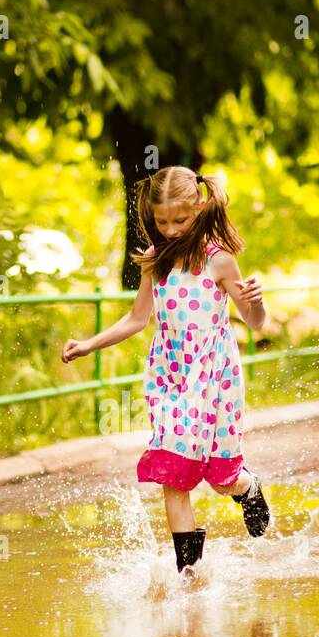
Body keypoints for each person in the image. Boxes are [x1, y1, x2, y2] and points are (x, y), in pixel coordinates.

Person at [62, 166, 270, 576]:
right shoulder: (154, 262)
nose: (171, 230)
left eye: (181, 220)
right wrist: (89, 344)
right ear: (150, 216)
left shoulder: (220, 261)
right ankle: (188, 575)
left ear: (200, 207)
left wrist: (257, 302)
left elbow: (255, 321)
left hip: (213, 379)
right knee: (172, 473)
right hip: (171, 378)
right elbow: (137, 318)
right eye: (162, 222)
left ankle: (248, 489)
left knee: (221, 478)